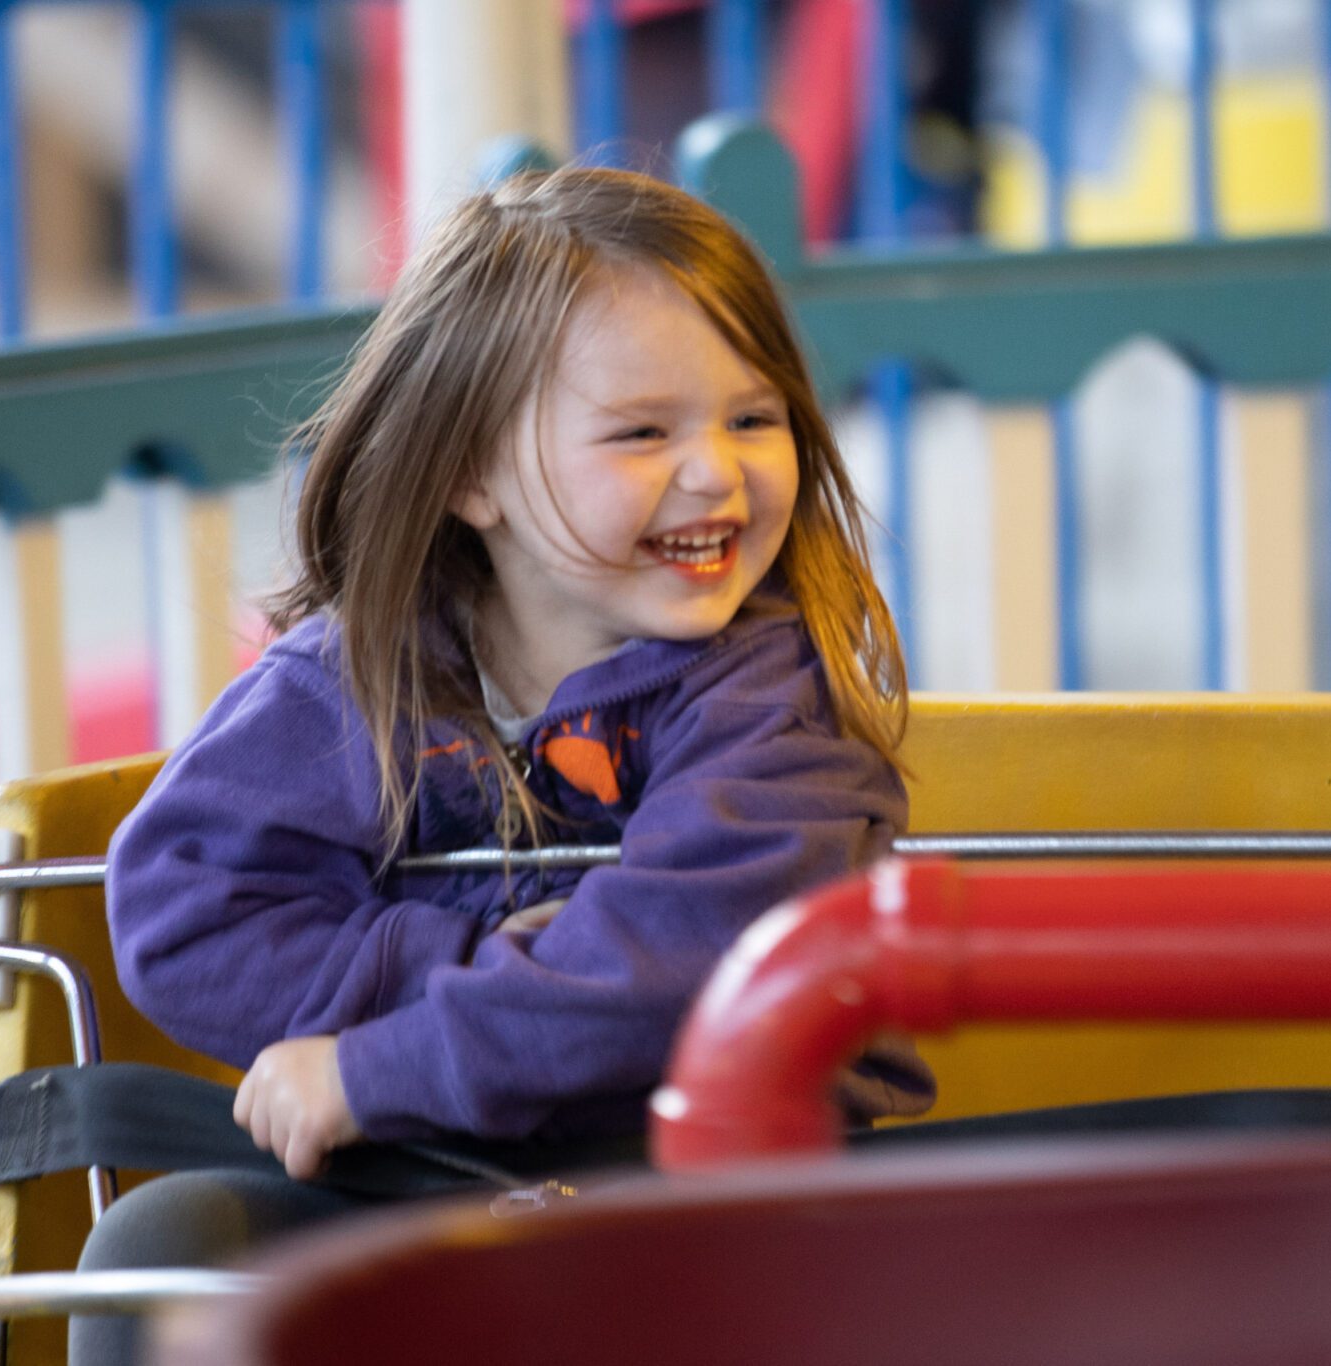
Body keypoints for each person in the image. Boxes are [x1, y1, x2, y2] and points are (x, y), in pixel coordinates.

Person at [72, 166, 933, 1364]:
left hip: (702, 1176)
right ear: (470, 474)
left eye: (753, 417)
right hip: (415, 1171)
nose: (716, 472)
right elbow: (182, 909)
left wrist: (382, 1065)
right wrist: (486, 963)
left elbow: (690, 968)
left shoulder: (767, 696)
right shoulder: (359, 675)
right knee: (164, 1246)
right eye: (641, 431)